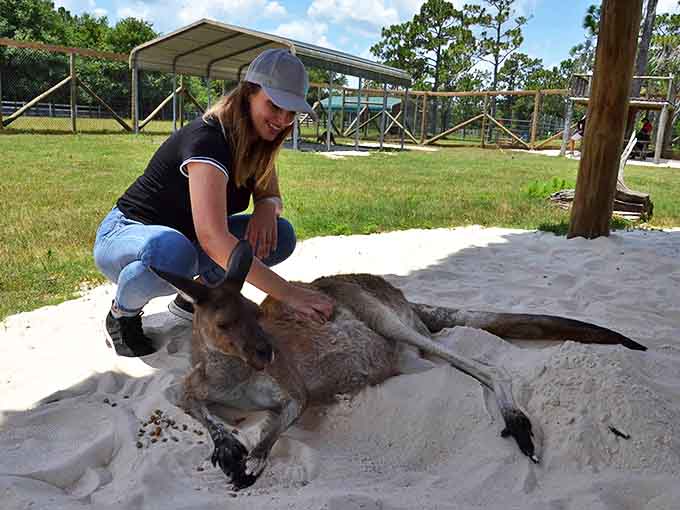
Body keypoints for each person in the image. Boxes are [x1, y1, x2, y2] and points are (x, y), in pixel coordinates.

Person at [93, 49, 334, 357]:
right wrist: (289, 294)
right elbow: (212, 239)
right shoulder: (208, 138)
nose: (283, 120)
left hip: (186, 238)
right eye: (274, 105)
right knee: (172, 250)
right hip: (127, 233)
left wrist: (266, 207)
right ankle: (120, 315)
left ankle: (192, 301)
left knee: (280, 235)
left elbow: (268, 190)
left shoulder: (256, 140)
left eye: (292, 113)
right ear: (248, 93)